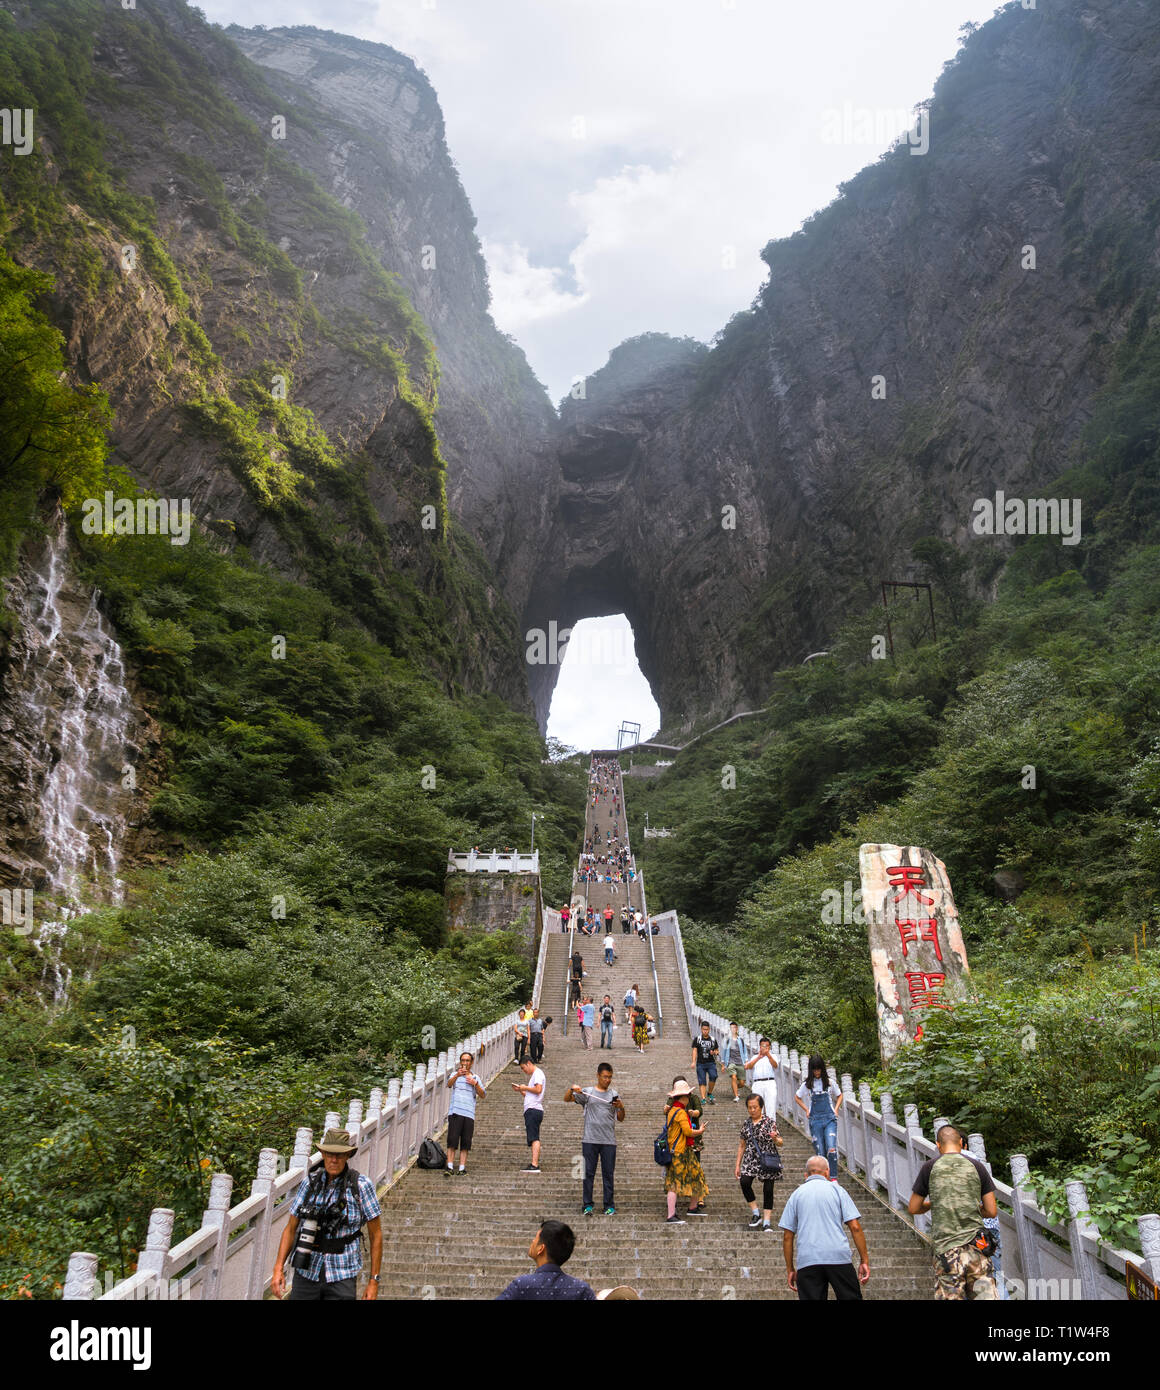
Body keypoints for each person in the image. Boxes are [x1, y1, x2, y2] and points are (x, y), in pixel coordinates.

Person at [271, 1129, 382, 1301]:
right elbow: (291, 1228)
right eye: (330, 1154)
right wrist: (278, 1268)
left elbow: (376, 1235)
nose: (334, 1159)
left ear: (347, 1156)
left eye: (339, 1155)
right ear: (323, 1154)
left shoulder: (360, 1185)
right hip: (306, 1270)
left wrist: (373, 1281)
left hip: (342, 1272)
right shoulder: (310, 1183)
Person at [907, 1125, 999, 1300]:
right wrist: (971, 1207)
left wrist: (934, 1204)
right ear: (962, 1143)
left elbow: (913, 1208)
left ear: (938, 1145)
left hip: (947, 1253)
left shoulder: (929, 1167)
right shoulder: (977, 1166)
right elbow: (991, 1210)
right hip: (977, 1249)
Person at [780, 1157, 869, 1300]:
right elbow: (855, 1227)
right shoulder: (838, 1190)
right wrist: (864, 1260)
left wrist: (790, 1269)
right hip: (838, 1257)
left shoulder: (796, 1195)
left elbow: (787, 1236)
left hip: (808, 1259)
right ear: (827, 1172)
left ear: (806, 1175)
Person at [564, 1062, 624, 1216]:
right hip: (590, 1140)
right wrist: (572, 1089)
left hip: (609, 1141)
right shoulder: (588, 1092)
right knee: (588, 1173)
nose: (607, 1080)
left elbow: (621, 1118)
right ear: (598, 1075)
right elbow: (567, 1099)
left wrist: (621, 1107)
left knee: (608, 1174)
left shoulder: (613, 1094)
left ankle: (609, 1205)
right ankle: (587, 1205)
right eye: (605, 1077)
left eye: (610, 1077)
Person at [495, 1222, 595, 1301]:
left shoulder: (521, 1285)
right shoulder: (582, 1289)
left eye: (536, 1238)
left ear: (541, 1249)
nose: (532, 1241)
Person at [734, 1093, 784, 1232]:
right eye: (750, 1107)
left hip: (768, 1158)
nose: (752, 1110)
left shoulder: (769, 1122)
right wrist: (738, 1164)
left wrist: (775, 1139)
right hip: (750, 1158)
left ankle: (767, 1221)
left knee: (768, 1189)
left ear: (761, 1107)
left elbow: (780, 1142)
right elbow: (742, 1145)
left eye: (755, 1107)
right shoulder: (746, 1123)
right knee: (744, 1182)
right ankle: (756, 1212)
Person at [662, 1081, 708, 1223]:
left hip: (683, 1150)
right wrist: (699, 1131)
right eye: (687, 1095)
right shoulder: (680, 1112)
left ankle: (693, 1207)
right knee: (674, 1183)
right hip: (679, 1151)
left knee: (696, 1176)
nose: (689, 1098)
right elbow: (687, 1131)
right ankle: (671, 1215)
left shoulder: (673, 1110)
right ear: (683, 1097)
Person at [793, 1055, 843, 1180]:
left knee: (831, 1148)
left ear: (822, 1069)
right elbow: (797, 1097)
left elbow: (840, 1095)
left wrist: (836, 1109)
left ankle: (833, 1178)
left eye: (818, 1069)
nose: (817, 1072)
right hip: (815, 1120)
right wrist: (806, 1110)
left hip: (829, 1119)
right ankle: (822, 1178)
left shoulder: (829, 1082)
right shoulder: (808, 1084)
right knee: (820, 1151)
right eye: (814, 1070)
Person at [445, 1050, 485, 1174]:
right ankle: (450, 1167)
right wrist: (457, 1075)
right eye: (463, 1060)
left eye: (467, 1061)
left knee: (466, 1142)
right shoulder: (454, 1075)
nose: (465, 1063)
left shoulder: (475, 1077)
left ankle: (462, 1168)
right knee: (452, 1140)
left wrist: (475, 1084)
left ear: (471, 1062)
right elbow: (449, 1084)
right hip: (456, 1111)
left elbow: (483, 1094)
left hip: (469, 1113)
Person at [513, 1056, 546, 1172]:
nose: (524, 1071)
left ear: (528, 1063)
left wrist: (525, 1087)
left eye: (523, 1068)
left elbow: (538, 1090)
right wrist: (521, 1090)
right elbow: (531, 1095)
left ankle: (535, 1164)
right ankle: (534, 1163)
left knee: (534, 1137)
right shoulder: (535, 1075)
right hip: (532, 1108)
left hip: (533, 1109)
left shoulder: (537, 1073)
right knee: (533, 1137)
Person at [745, 1037, 779, 1119]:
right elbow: (748, 1066)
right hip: (757, 1083)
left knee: (770, 1105)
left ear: (769, 1047)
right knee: (757, 1106)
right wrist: (758, 1057)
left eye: (766, 1046)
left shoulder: (773, 1056)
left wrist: (768, 1055)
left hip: (769, 1082)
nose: (764, 1048)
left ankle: (771, 1128)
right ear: (760, 1047)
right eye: (762, 1046)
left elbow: (775, 1065)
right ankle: (758, 1126)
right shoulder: (755, 1057)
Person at [692, 1020, 720, 1104]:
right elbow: (694, 1050)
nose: (705, 1031)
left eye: (707, 1029)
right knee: (702, 1080)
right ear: (701, 1029)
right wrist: (693, 1061)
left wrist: (714, 1052)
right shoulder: (697, 1039)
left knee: (714, 1076)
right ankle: (703, 1098)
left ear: (709, 1029)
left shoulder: (713, 1040)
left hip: (711, 1062)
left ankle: (709, 1093)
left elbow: (717, 1050)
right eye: (704, 1029)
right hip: (700, 1063)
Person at [721, 1023, 749, 1102]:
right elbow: (724, 1052)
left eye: (734, 1028)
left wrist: (746, 1062)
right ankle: (736, 1096)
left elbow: (745, 1052)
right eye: (731, 1028)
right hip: (731, 1062)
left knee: (742, 1083)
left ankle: (735, 1086)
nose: (733, 1029)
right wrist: (723, 1064)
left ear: (737, 1029)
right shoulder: (727, 1040)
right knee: (733, 1077)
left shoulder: (741, 1040)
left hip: (740, 1062)